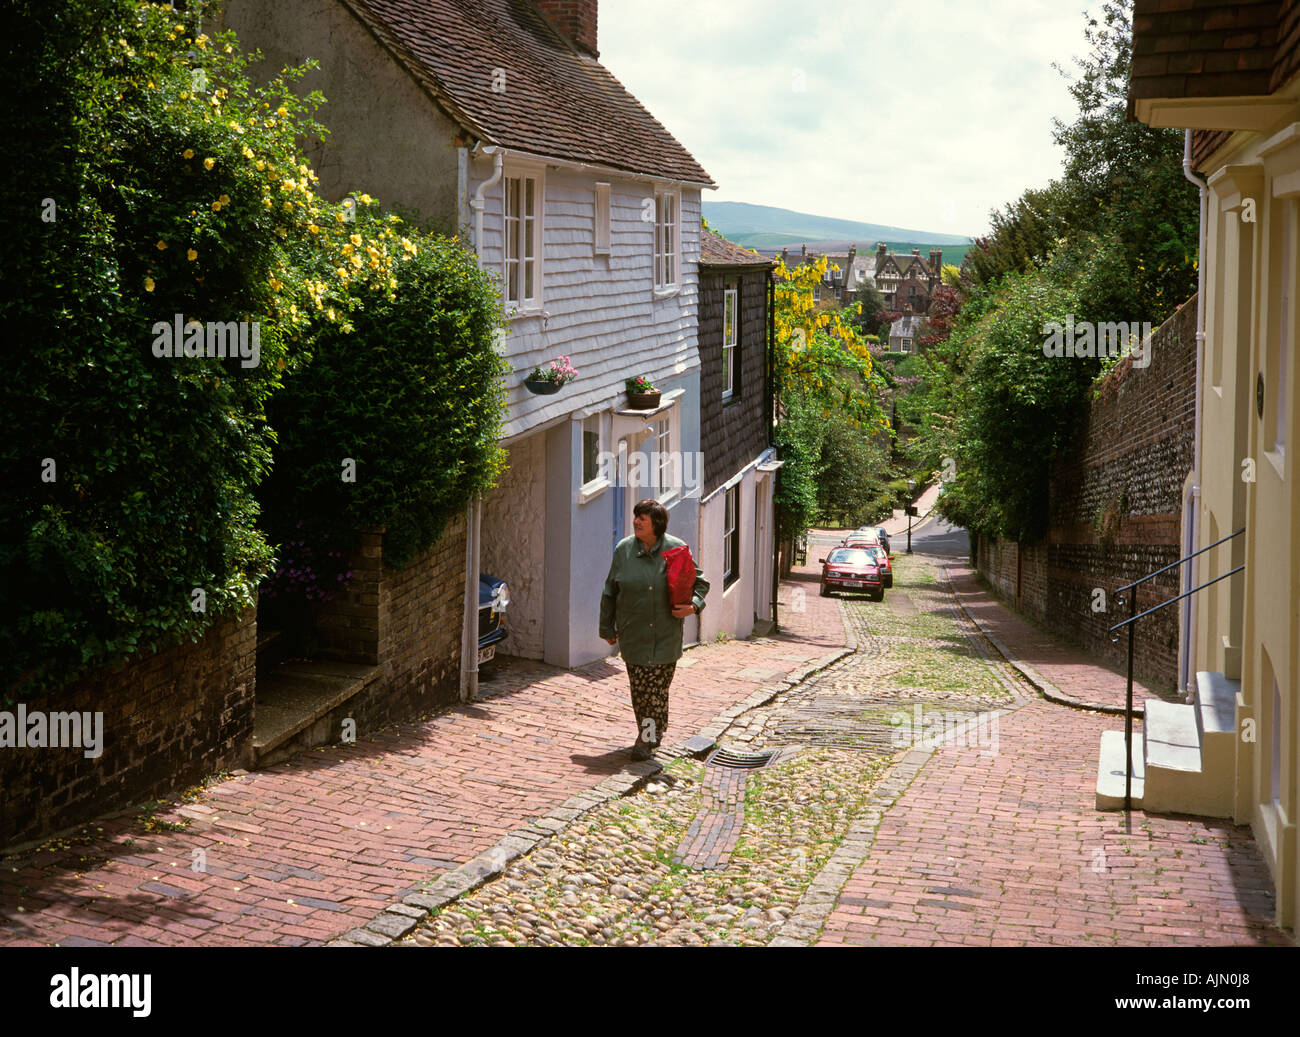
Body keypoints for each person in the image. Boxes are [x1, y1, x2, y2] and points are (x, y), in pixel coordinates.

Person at [599, 499, 709, 760]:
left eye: (642, 518)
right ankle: (651, 733)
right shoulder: (624, 550)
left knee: (656, 691)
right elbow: (610, 591)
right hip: (633, 634)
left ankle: (647, 738)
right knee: (641, 692)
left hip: (665, 636)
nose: (636, 521)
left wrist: (693, 606)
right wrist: (607, 626)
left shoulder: (677, 549)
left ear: (657, 524)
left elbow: (700, 584)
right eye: (636, 516)